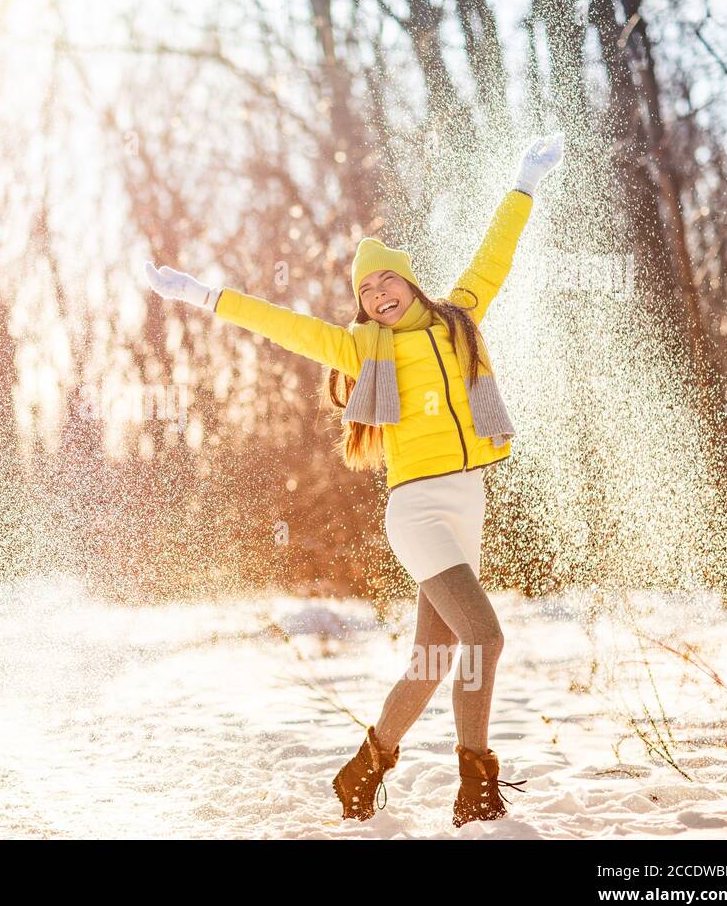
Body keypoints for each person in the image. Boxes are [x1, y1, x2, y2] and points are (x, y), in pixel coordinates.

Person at [142, 134, 565, 827]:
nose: (376, 294)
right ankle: (476, 786)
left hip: (467, 501)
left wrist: (524, 183)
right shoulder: (360, 348)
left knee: (433, 660)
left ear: (409, 282)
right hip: (418, 511)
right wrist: (202, 295)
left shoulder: (458, 318)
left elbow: (496, 256)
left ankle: (362, 770)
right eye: (364, 290)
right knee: (484, 637)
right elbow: (281, 324)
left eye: (385, 280)